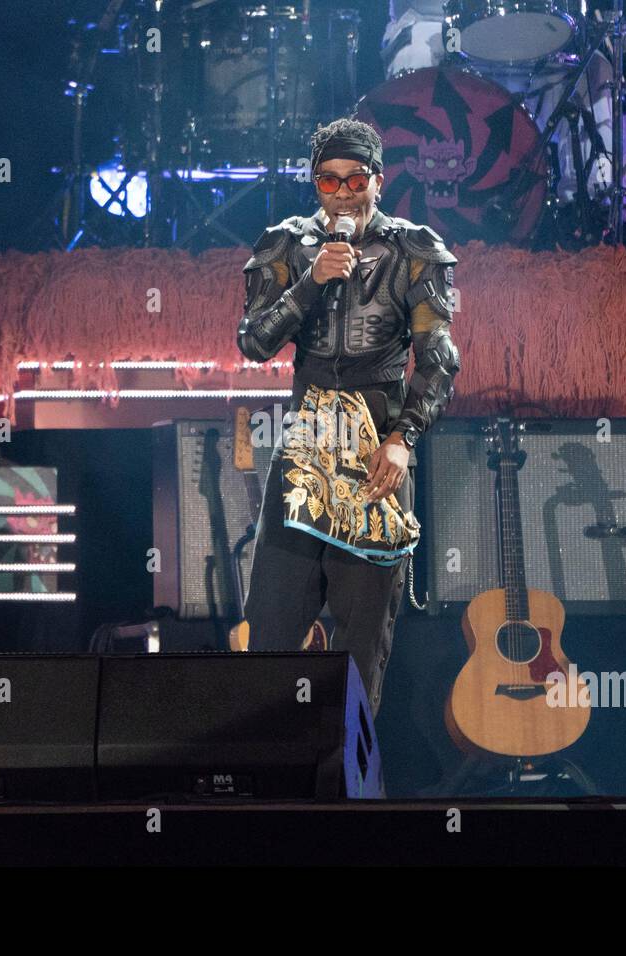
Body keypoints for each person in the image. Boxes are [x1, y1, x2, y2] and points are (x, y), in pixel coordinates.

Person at [236, 118, 461, 716]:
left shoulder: (413, 251)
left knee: (360, 649)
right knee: (270, 630)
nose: (342, 194)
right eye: (328, 182)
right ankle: (275, 779)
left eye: (354, 179)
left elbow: (438, 359)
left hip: (374, 456)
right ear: (316, 186)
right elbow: (254, 343)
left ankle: (348, 788)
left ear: (378, 182)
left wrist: (402, 438)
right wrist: (312, 282)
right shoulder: (286, 245)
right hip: (305, 452)